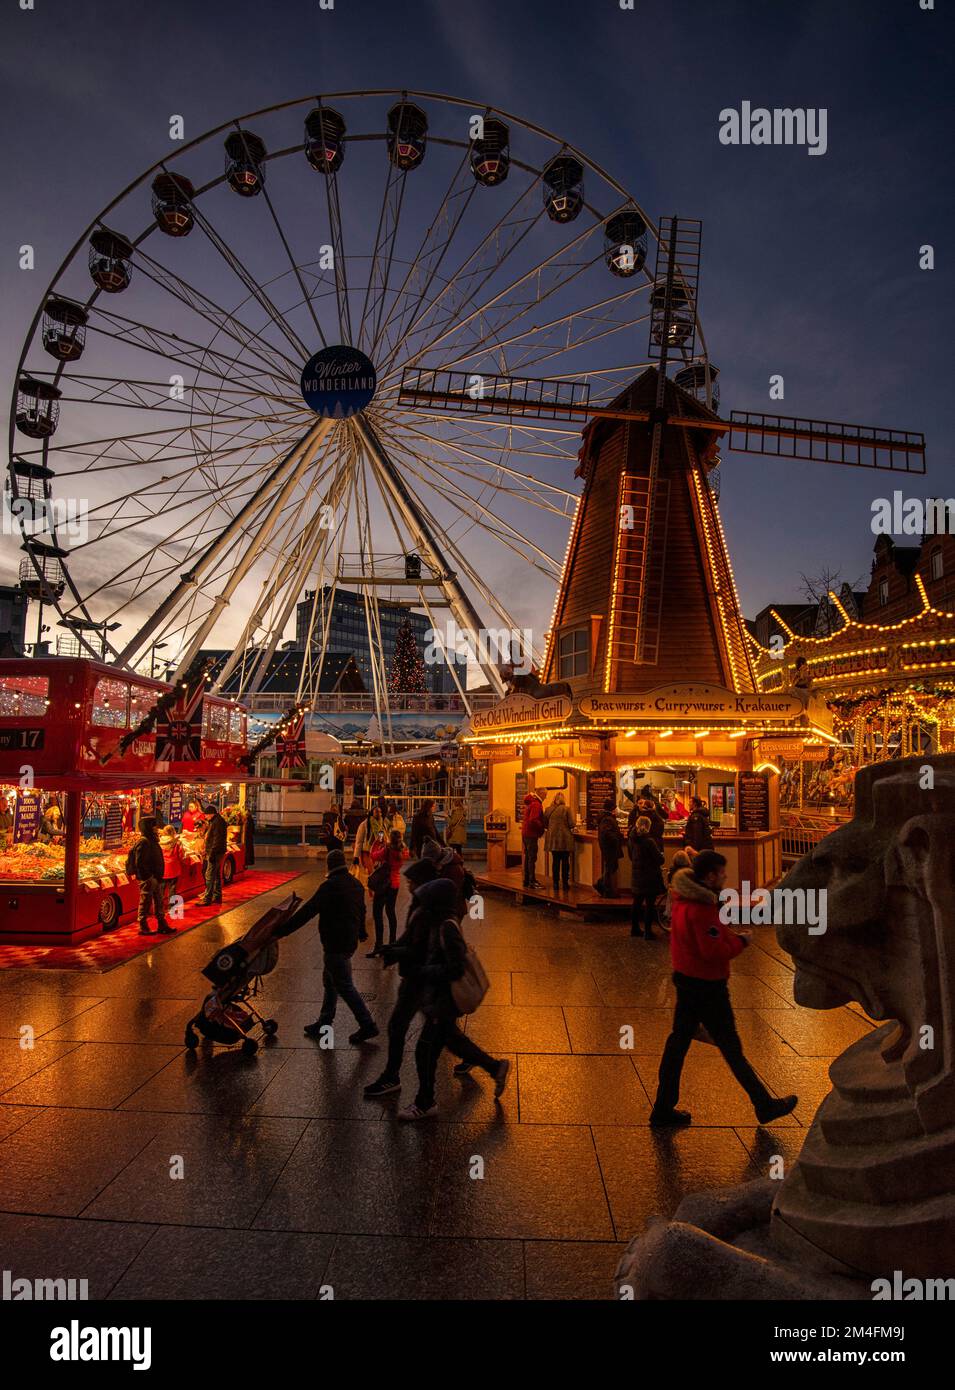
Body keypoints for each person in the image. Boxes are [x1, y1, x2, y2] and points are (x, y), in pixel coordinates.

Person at [651, 850, 798, 1129]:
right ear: (709, 876)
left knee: (677, 1044)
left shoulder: (683, 899)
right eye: (721, 872)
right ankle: (763, 1104)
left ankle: (662, 1106)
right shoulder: (702, 908)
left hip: (686, 980)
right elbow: (711, 950)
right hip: (708, 988)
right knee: (731, 1048)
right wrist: (741, 942)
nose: (725, 876)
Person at [384, 877, 509, 1121]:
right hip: (439, 1000)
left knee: (424, 1051)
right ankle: (495, 1067)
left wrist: (422, 972)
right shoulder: (438, 920)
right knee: (454, 1042)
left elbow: (454, 969)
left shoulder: (447, 927)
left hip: (443, 1001)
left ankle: (425, 1102)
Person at [274, 847, 378, 1044]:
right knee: (330, 982)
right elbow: (362, 910)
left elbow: (308, 911)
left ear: (329, 866)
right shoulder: (355, 884)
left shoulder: (329, 887)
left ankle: (367, 1024)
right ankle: (324, 1023)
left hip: (335, 943)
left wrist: (283, 931)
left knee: (344, 986)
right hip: (349, 941)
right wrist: (362, 932)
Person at [363, 855, 441, 1098]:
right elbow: (410, 938)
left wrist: (396, 951)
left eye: (412, 882)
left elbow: (418, 947)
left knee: (406, 1031)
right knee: (424, 1033)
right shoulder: (422, 904)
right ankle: (397, 1079)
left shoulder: (427, 909)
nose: (408, 886)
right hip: (417, 976)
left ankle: (413, 1090)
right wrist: (394, 948)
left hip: (418, 977)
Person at [126, 816, 175, 936]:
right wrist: (148, 877)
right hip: (148, 878)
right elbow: (140, 863)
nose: (156, 829)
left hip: (155, 877)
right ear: (148, 828)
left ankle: (162, 924)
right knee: (145, 902)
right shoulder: (144, 841)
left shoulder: (152, 840)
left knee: (159, 901)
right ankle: (143, 926)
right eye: (154, 826)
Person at [368, 828, 408, 957]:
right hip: (395, 884)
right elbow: (406, 855)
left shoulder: (387, 849)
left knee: (378, 913)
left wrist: (376, 843)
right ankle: (392, 943)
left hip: (384, 883)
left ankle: (379, 944)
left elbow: (373, 855)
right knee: (391, 912)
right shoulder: (402, 850)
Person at [628, 815, 665, 940]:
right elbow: (660, 860)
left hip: (637, 874)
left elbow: (630, 855)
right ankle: (648, 931)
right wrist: (661, 855)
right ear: (648, 826)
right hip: (649, 875)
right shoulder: (649, 841)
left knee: (637, 902)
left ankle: (634, 928)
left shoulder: (632, 839)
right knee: (650, 904)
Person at [544, 791, 576, 892]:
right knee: (565, 862)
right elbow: (572, 824)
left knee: (555, 862)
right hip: (564, 839)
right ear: (563, 799)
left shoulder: (548, 810)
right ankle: (565, 884)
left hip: (553, 840)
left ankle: (555, 883)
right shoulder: (566, 809)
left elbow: (545, 824)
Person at [596, 797, 624, 897]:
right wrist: (617, 839)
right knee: (610, 868)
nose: (617, 810)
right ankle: (605, 889)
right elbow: (607, 833)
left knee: (610, 868)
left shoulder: (605, 818)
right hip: (610, 847)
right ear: (612, 809)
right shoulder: (608, 819)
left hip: (607, 847)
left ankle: (604, 888)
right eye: (616, 808)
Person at [200, 803, 228, 905]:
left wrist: (211, 853)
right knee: (215, 875)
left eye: (206, 815)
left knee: (209, 875)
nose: (205, 817)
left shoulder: (217, 823)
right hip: (215, 851)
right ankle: (217, 896)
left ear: (211, 814)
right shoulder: (216, 821)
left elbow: (217, 839)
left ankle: (207, 899)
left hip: (215, 852)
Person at [520, 790, 545, 888]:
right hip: (531, 834)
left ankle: (526, 880)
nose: (546, 797)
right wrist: (542, 826)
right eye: (545, 795)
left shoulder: (530, 803)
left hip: (526, 833)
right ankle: (532, 881)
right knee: (532, 858)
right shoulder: (536, 804)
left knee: (528, 858)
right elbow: (533, 820)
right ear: (541, 794)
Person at [158, 825, 184, 915]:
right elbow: (181, 855)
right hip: (174, 868)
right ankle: (171, 908)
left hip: (163, 869)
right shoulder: (176, 843)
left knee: (161, 889)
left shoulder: (159, 842)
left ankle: (159, 908)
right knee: (172, 889)